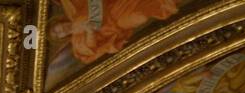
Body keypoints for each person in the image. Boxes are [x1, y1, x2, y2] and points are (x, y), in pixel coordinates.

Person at [50, 0, 179, 64]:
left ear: (59, 22)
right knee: (140, 16)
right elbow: (91, 47)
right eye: (58, 34)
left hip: (113, 10)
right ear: (62, 37)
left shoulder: (75, 14)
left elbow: (95, 4)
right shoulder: (77, 42)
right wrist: (89, 32)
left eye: (57, 28)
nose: (61, 30)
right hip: (115, 25)